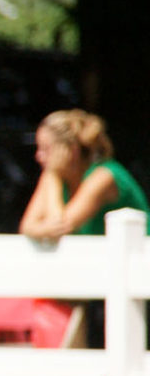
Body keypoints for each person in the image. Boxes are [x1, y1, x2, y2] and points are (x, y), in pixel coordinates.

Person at [19, 109, 148, 349]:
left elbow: (61, 224)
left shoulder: (104, 176)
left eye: (46, 149)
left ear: (71, 151)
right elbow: (28, 225)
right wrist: (53, 178)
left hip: (138, 285)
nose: (38, 156)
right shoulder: (55, 179)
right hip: (102, 288)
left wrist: (53, 176)